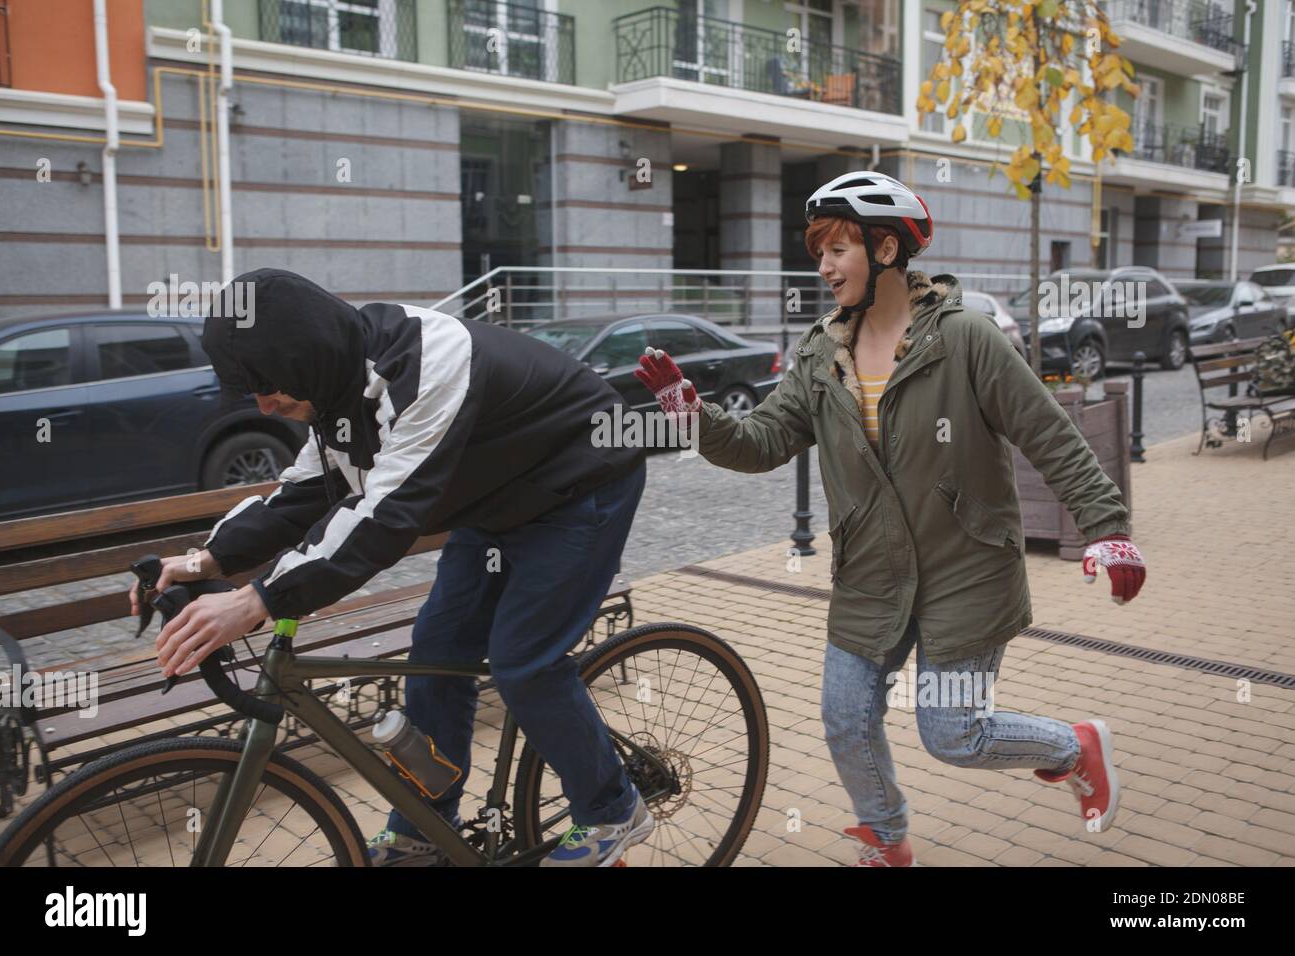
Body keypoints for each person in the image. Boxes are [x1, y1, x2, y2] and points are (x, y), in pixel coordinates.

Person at [634, 171, 1146, 867]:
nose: (822, 266)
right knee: (845, 716)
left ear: (884, 248)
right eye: (818, 251)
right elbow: (763, 443)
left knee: (952, 732)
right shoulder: (820, 353)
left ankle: (1073, 747)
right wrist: (698, 420)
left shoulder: (967, 339)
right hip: (871, 572)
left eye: (836, 248)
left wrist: (1107, 527)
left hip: (965, 570)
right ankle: (886, 832)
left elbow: (1047, 431)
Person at [130, 267, 652, 867]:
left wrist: (257, 600)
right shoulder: (331, 391)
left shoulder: (427, 361)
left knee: (523, 661)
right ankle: (424, 827)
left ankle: (613, 807)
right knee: (436, 650)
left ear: (307, 355)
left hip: (581, 481)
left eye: (268, 384)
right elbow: (302, 495)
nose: (262, 403)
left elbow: (387, 517)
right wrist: (201, 561)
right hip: (494, 501)